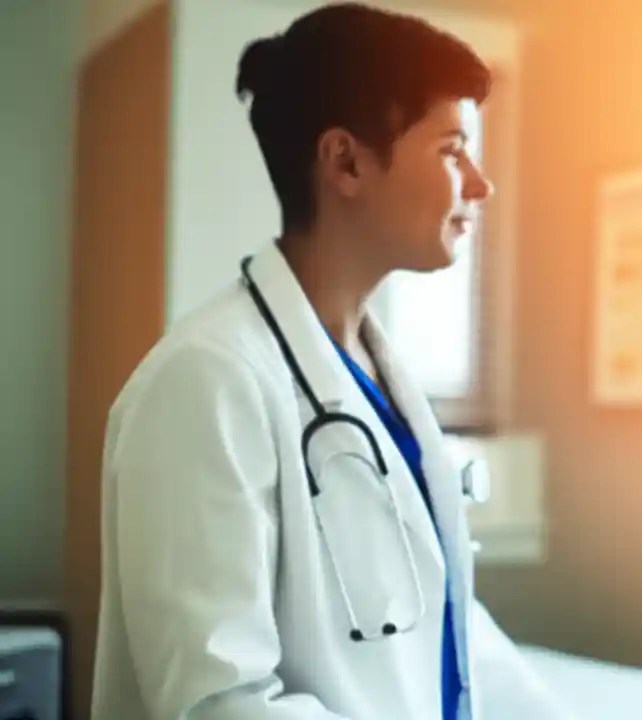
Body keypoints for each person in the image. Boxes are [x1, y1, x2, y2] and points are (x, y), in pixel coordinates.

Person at [91, 4, 571, 718]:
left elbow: (446, 632)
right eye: (450, 149)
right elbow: (220, 704)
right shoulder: (205, 384)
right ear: (345, 161)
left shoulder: (379, 379)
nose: (479, 182)